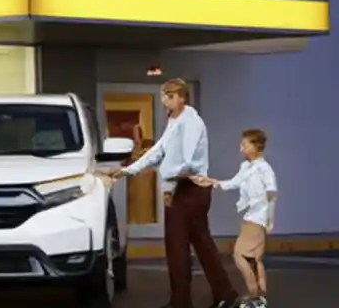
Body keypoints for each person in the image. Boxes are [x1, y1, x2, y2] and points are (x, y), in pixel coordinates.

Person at [103, 78, 238, 308]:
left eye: (169, 95)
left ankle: (196, 300)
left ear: (182, 98)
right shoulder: (175, 121)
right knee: (190, 246)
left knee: (182, 246)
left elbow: (186, 163)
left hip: (190, 189)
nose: (165, 100)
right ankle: (218, 296)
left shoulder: (191, 122)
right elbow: (158, 151)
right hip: (182, 188)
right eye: (164, 95)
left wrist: (169, 185)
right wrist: (126, 171)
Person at [193, 129, 278, 307]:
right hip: (250, 217)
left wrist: (270, 219)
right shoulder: (246, 167)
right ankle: (260, 296)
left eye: (245, 144)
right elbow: (234, 182)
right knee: (253, 259)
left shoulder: (264, 169)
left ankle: (254, 295)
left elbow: (272, 193)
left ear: (256, 146)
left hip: (258, 218)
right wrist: (212, 182)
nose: (241, 148)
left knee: (240, 255)